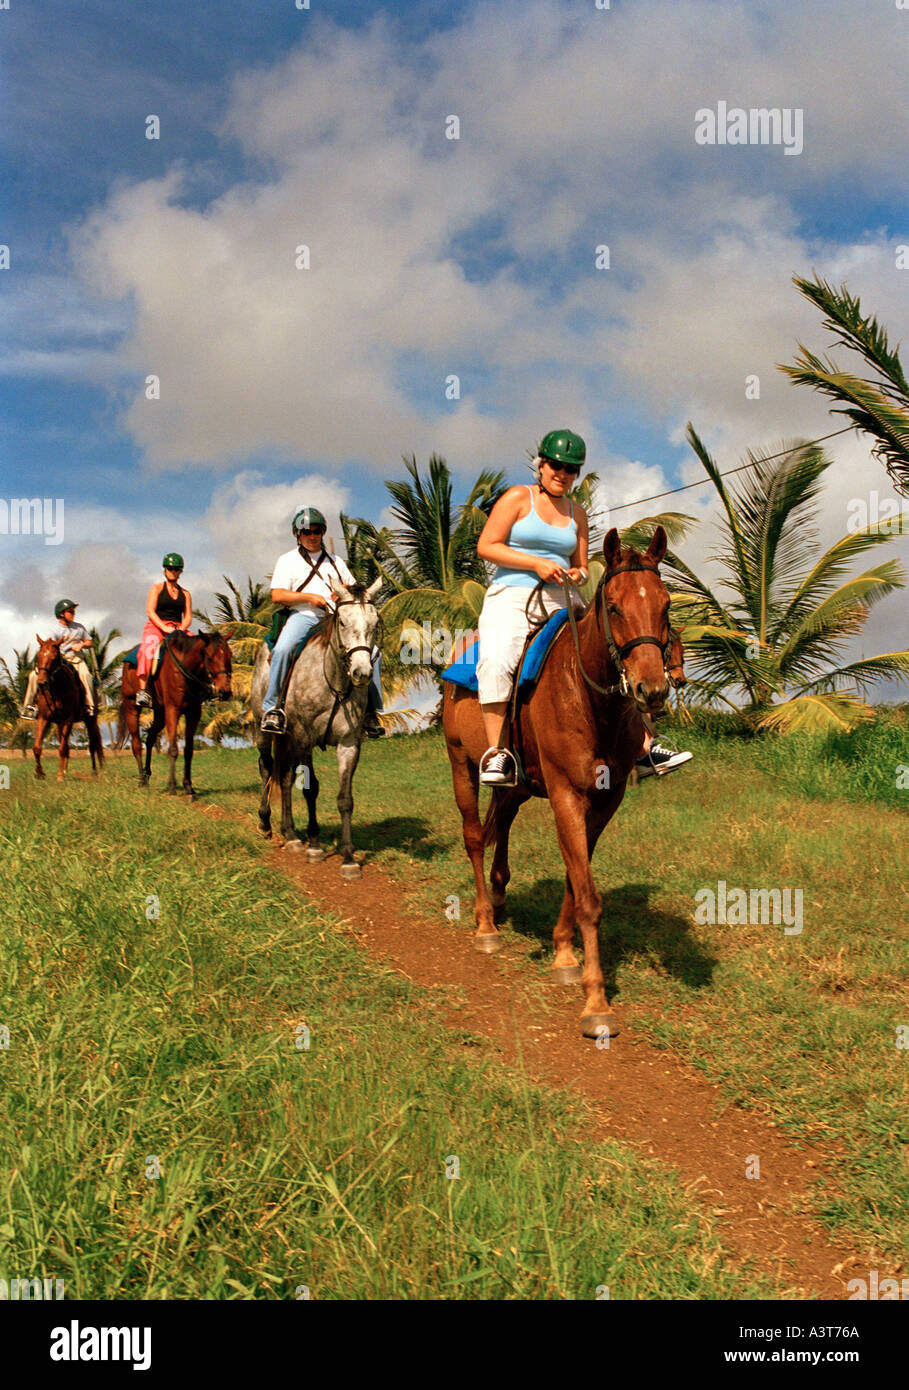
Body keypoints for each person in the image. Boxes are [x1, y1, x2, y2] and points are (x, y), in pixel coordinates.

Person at [474, 429, 693, 785]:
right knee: (497, 660)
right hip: (512, 594)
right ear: (541, 465)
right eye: (556, 466)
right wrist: (535, 564)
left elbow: (577, 562)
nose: (562, 474)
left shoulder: (577, 512)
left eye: (571, 469)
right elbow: (487, 545)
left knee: (612, 653)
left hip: (562, 595)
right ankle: (498, 754)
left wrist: (575, 572)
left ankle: (645, 748)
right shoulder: (517, 497)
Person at [259, 507, 385, 737]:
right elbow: (277, 595)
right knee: (283, 649)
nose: (313, 535)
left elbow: (354, 590)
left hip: (334, 618)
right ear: (298, 533)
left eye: (318, 531)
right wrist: (309, 598)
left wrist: (343, 592)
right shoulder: (287, 560)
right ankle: (272, 708)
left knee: (373, 652)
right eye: (307, 531)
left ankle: (371, 712)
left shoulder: (335, 561)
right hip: (304, 616)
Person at [135, 553, 193, 708]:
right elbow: (150, 611)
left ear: (181, 571)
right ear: (165, 570)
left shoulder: (186, 594)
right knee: (147, 650)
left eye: (176, 569)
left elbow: (187, 616)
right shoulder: (156, 589)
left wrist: (181, 628)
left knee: (198, 647)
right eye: (170, 568)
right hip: (157, 626)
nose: (173, 571)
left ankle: (204, 687)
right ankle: (142, 691)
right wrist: (163, 627)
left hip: (178, 628)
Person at [22, 599, 96, 718]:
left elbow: (90, 642)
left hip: (76, 660)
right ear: (61, 614)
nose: (73, 614)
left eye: (73, 611)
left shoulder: (79, 628)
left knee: (86, 676)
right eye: (70, 611)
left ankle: (89, 706)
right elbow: (49, 646)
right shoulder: (53, 630)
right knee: (34, 676)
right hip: (60, 660)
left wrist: (81, 645)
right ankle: (29, 706)